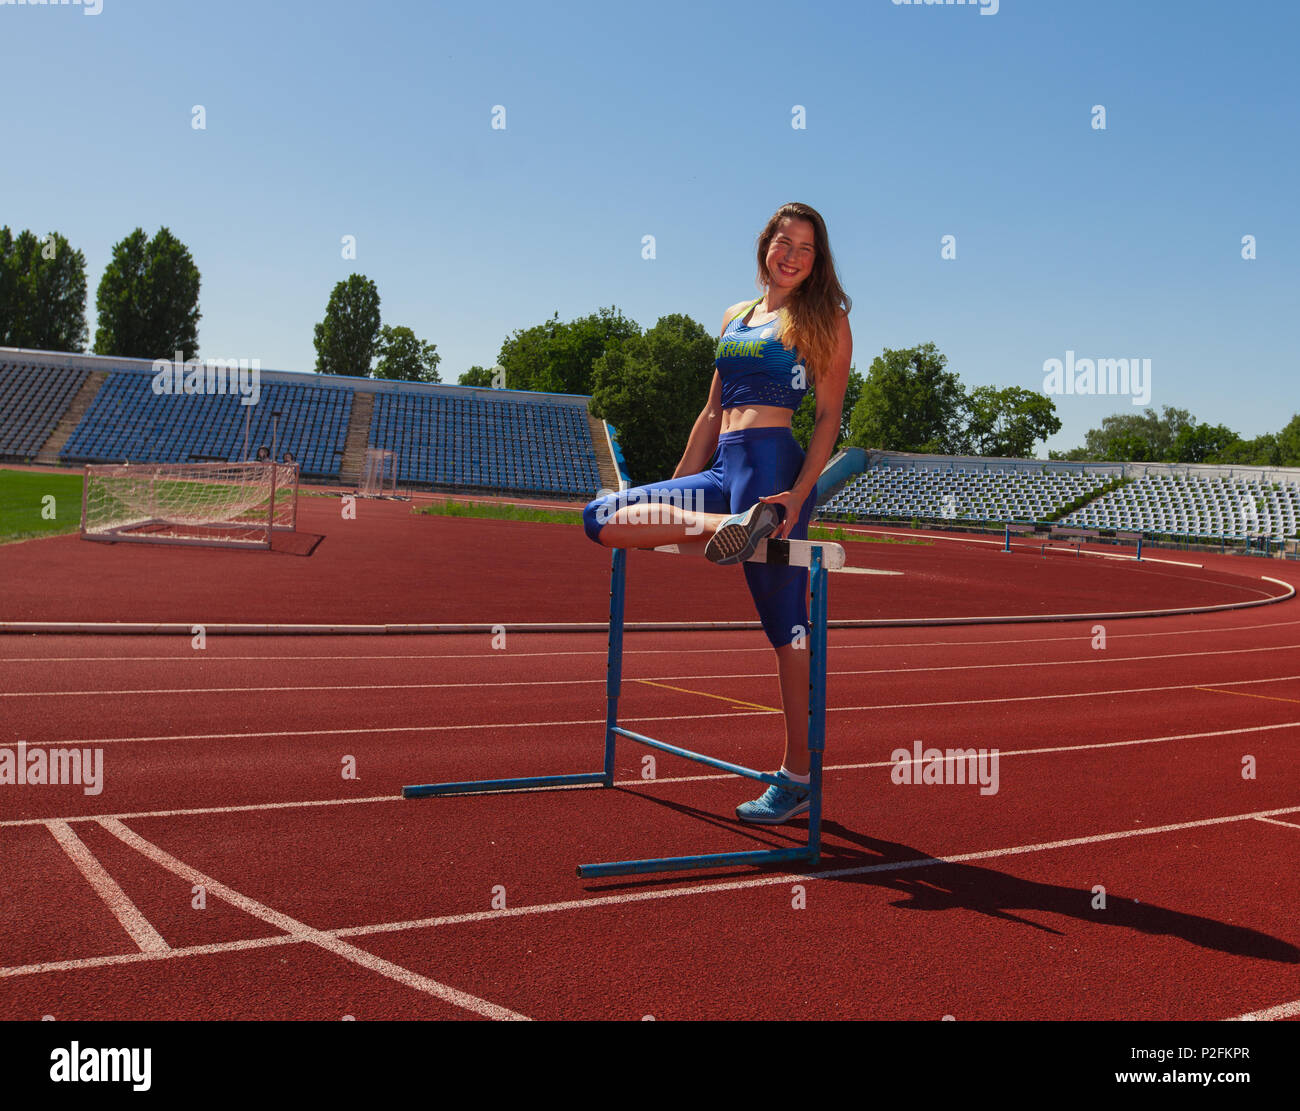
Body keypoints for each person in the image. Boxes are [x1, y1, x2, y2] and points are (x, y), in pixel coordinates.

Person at [582, 202, 852, 824]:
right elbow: (710, 413)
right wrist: (673, 490)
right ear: (765, 246)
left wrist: (796, 494)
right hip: (721, 472)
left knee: (787, 630)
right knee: (602, 515)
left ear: (818, 261)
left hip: (772, 473)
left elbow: (828, 419)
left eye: (806, 248)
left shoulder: (826, 320)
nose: (792, 255)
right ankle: (726, 527)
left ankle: (797, 776)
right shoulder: (734, 315)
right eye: (784, 241)